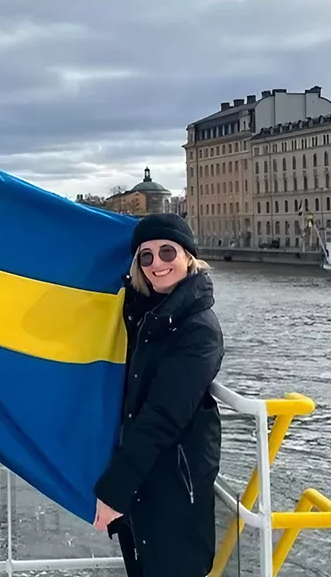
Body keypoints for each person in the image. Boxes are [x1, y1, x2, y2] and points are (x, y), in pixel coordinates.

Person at [92, 212, 224, 576]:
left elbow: (163, 415)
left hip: (174, 488)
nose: (157, 263)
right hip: (144, 481)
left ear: (189, 256)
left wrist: (115, 489)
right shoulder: (143, 315)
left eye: (167, 251)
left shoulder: (198, 329)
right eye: (145, 255)